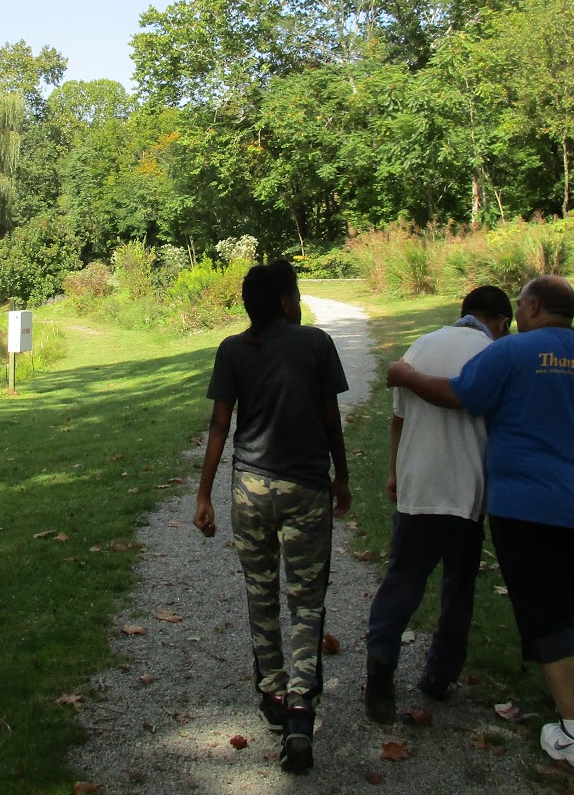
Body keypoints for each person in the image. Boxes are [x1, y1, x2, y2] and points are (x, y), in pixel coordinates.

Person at [389, 275, 574, 773]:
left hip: (529, 509)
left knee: (546, 613)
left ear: (531, 306)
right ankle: (571, 679)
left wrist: (405, 376)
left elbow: (458, 394)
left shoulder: (513, 353)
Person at [193, 260, 352, 775]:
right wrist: (341, 476)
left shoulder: (233, 350)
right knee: (307, 599)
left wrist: (204, 496)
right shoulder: (316, 344)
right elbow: (331, 420)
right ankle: (302, 711)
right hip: (306, 487)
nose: (300, 299)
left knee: (260, 592)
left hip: (250, 488)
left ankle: (272, 694)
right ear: (286, 300)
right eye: (297, 292)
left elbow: (219, 426)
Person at [364, 285, 513, 723]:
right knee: (458, 587)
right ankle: (439, 676)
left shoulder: (421, 345)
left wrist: (395, 472)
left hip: (417, 485)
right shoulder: (494, 356)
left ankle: (379, 676)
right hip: (466, 491)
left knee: (402, 582)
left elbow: (398, 420)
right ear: (500, 322)